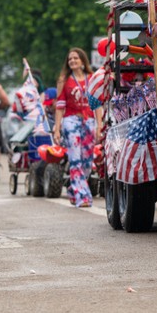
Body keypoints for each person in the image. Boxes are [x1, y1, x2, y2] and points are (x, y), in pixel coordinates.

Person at [52, 48, 103, 208]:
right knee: (75, 159)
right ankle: (83, 197)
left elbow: (97, 104)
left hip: (89, 121)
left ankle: (73, 189)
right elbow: (60, 106)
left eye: (75, 58)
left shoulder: (91, 78)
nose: (72, 61)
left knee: (87, 162)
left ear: (82, 60)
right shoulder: (64, 80)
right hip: (71, 121)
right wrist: (57, 128)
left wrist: (100, 125)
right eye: (70, 59)